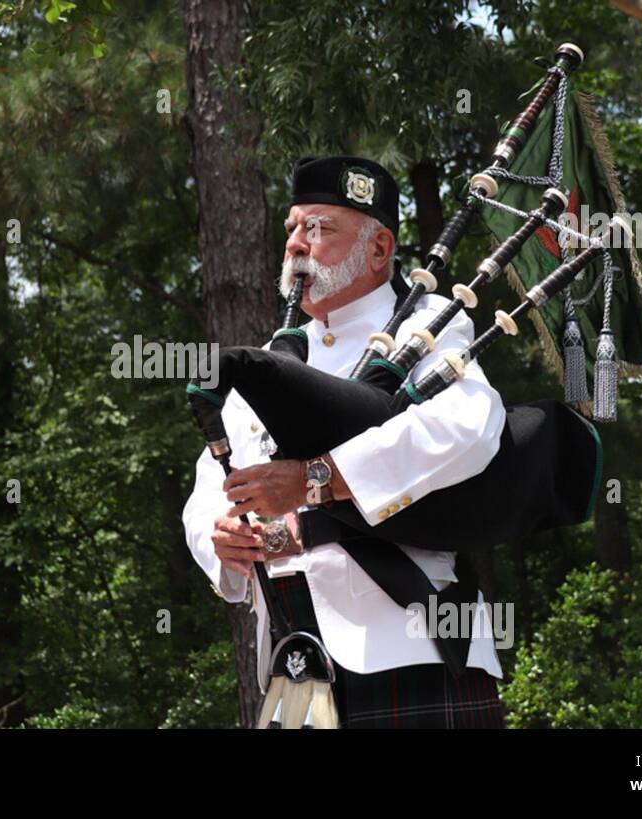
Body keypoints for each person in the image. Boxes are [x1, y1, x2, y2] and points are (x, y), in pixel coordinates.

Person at [181, 155, 508, 728]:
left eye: (319, 228)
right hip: (293, 663)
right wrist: (221, 541)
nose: (297, 246)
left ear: (380, 249)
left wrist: (317, 478)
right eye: (291, 230)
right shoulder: (276, 354)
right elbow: (211, 482)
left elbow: (472, 425)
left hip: (410, 649)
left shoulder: (428, 324)